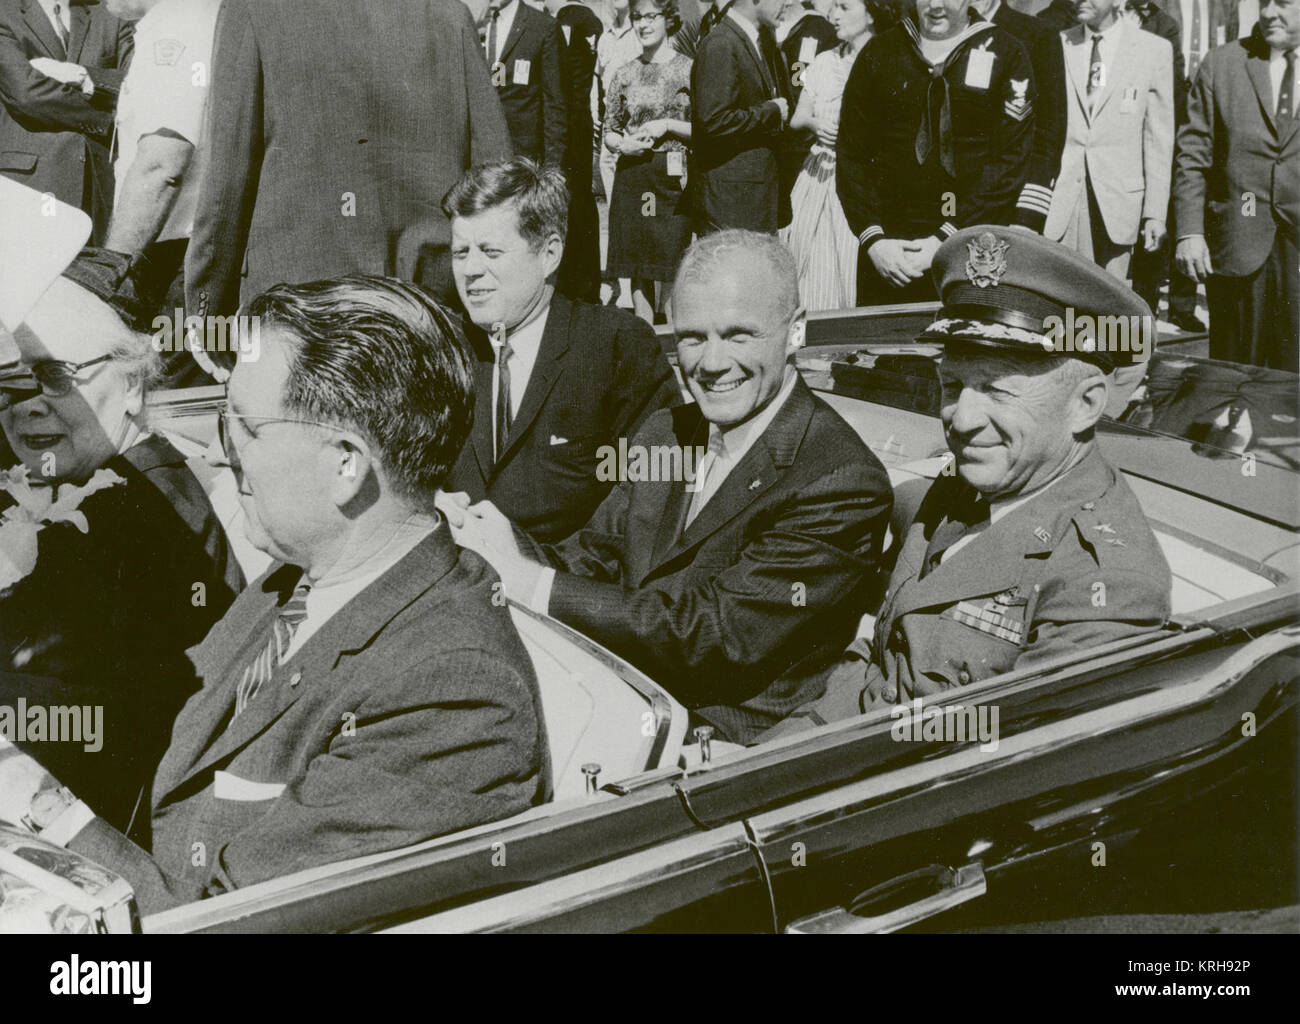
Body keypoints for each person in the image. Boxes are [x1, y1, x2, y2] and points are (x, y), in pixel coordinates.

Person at [0, 276, 551, 914]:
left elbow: (214, 926)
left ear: (346, 463)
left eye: (247, 428)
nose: (222, 451)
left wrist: (29, 793)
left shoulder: (453, 696)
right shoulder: (300, 578)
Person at [441, 230, 893, 744]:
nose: (712, 363)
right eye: (692, 338)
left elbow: (717, 635)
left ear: (795, 332)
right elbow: (593, 558)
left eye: (739, 335)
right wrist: (485, 537)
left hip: (730, 744)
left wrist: (529, 581)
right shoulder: (667, 432)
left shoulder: (839, 479)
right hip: (623, 695)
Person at [766, 225, 1172, 738]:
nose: (961, 418)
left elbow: (1000, 770)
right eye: (953, 384)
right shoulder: (965, 486)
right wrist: (764, 758)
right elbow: (874, 664)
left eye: (998, 390)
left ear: (1085, 404)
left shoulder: (1109, 586)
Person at [0, 248, 240, 833]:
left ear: (133, 382)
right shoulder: (94, 482)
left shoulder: (145, 512)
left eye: (56, 376)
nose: (28, 404)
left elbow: (102, 719)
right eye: (8, 382)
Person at [184, 0, 513, 321]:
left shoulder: (255, 9)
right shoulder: (450, 13)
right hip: (425, 301)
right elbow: (495, 175)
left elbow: (225, 186)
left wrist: (205, 308)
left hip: (301, 308)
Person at [443, 158, 678, 543]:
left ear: (549, 254)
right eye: (460, 252)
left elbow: (657, 492)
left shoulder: (615, 346)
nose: (470, 270)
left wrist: (540, 577)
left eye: (490, 251)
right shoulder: (444, 348)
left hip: (569, 585)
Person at [836, 0, 1037, 304]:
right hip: (888, 255)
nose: (935, 5)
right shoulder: (881, 51)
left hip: (969, 247)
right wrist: (873, 239)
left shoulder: (1006, 53)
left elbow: (1009, 162)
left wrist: (946, 239)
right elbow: (851, 152)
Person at [1174, 0, 1299, 371]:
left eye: (1284, 2)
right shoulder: (1222, 63)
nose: (1268, 12)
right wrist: (1189, 232)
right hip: (1238, 241)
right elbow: (1192, 154)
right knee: (1232, 373)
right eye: (1263, 2)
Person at [103, 0, 222, 386]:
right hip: (194, 255)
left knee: (165, 405)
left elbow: (161, 165)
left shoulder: (177, 26)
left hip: (176, 263)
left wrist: (107, 275)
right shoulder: (197, 18)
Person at [1043, 0, 1175, 282]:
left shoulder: (1153, 50)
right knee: (1056, 304)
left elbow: (1158, 140)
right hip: (1061, 202)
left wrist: (1155, 213)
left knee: (1104, 313)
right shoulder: (1057, 44)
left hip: (1117, 206)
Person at [0, 0, 133, 242]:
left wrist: (84, 77)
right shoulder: (4, 12)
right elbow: (27, 94)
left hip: (100, 187)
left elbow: (137, 81)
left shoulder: (112, 14)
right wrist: (107, 116)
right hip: (30, 185)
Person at [782, 0, 876, 309]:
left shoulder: (886, 61)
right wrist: (815, 123)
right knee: (803, 265)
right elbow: (798, 118)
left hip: (861, 183)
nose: (833, 16)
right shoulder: (823, 61)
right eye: (833, 6)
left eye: (844, 7)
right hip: (817, 177)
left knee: (846, 269)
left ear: (871, 13)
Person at [605, 0, 694, 323]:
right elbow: (609, 130)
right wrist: (623, 144)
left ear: (668, 19)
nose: (643, 24)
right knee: (638, 262)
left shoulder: (688, 68)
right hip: (633, 175)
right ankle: (646, 338)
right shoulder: (624, 73)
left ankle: (674, 336)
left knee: (672, 259)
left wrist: (668, 125)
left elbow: (706, 128)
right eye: (637, 18)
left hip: (673, 176)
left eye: (651, 17)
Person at [1125, 0, 1203, 331]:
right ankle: (1144, 307)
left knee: (1172, 214)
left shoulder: (1163, 23)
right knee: (1148, 224)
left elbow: (1172, 80)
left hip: (1170, 124)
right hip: (1126, 133)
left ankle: (1182, 307)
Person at [691, 0, 795, 233]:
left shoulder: (762, 44)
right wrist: (771, 112)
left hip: (755, 201)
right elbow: (713, 120)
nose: (788, 2)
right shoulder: (721, 43)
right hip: (732, 205)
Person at [974, 0, 1069, 232]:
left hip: (1003, 206)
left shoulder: (1036, 35)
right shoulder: (934, 35)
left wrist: (1027, 217)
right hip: (943, 206)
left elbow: (1047, 136)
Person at [548, 0, 605, 301]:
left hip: (572, 129)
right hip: (576, 126)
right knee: (579, 205)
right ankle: (583, 282)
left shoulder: (574, 19)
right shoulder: (577, 19)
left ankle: (579, 283)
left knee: (575, 205)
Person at [484, 0, 569, 168]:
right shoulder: (474, 22)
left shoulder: (542, 26)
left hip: (522, 158)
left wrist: (553, 168)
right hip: (481, 156)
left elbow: (554, 103)